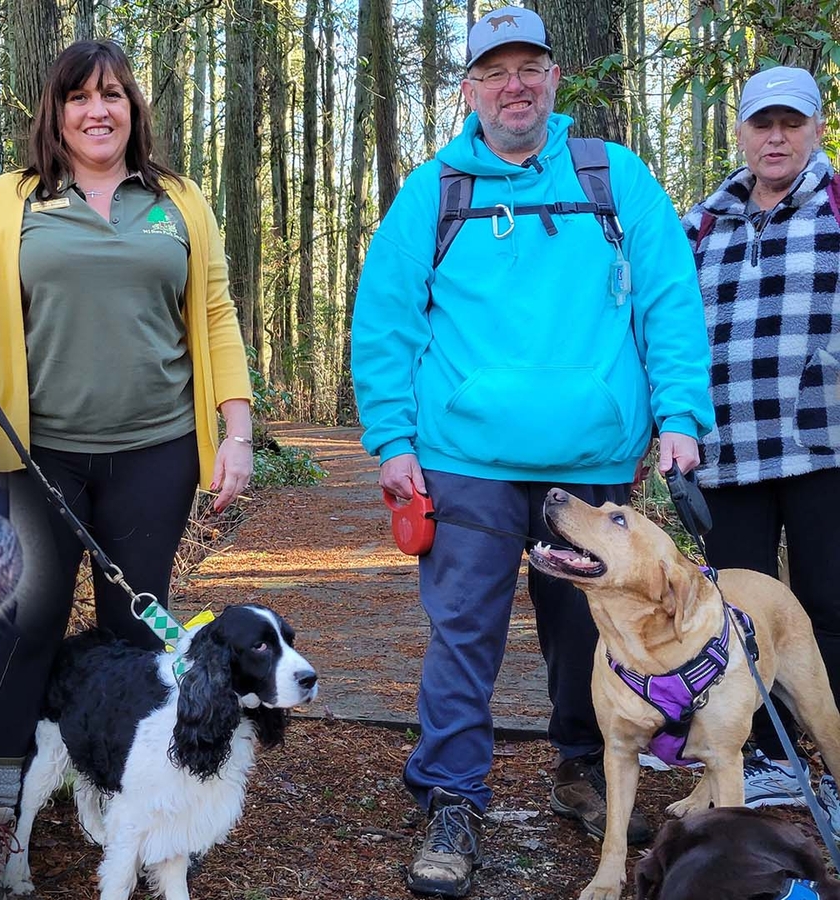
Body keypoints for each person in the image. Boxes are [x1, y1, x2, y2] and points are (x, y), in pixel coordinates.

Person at [350, 6, 714, 897]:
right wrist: (392, 439)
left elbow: (668, 301)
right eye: (495, 72)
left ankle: (584, 769)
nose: (514, 86)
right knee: (464, 631)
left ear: (553, 78)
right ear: (470, 88)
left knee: (585, 634)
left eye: (530, 69)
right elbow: (386, 321)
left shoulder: (614, 178)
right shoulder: (434, 190)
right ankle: (453, 799)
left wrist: (680, 416)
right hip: (464, 458)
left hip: (589, 460)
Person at [0, 39, 252, 896]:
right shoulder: (12, 201)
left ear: (134, 108)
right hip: (38, 454)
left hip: (158, 451)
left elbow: (217, 313)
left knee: (137, 634)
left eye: (113, 96)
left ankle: (142, 801)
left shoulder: (179, 201)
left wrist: (235, 432)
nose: (99, 111)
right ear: (55, 114)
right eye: (79, 98)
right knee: (27, 630)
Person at [682, 66, 840, 814]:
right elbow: (667, 329)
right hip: (728, 453)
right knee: (737, 619)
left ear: (815, 127)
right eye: (761, 124)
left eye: (791, 123)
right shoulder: (701, 225)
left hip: (827, 452)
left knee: (828, 607)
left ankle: (834, 763)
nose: (775, 138)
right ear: (741, 131)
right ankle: (769, 762)